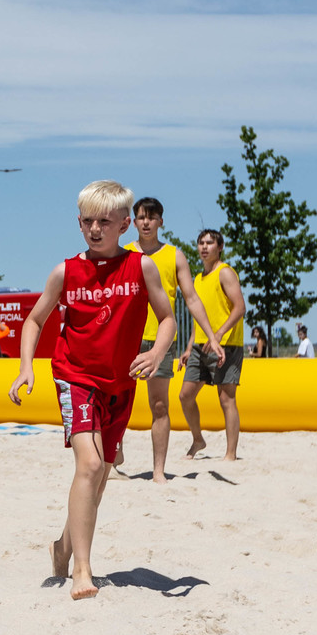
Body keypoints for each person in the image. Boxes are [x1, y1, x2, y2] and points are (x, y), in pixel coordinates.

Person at [7, 180, 174, 599]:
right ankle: (82, 571)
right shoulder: (66, 271)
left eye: (104, 221)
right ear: (78, 223)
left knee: (99, 478)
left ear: (124, 224)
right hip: (74, 375)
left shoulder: (142, 267)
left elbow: (168, 318)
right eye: (87, 221)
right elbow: (34, 321)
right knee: (92, 465)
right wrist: (27, 368)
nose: (95, 229)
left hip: (120, 384)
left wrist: (156, 352)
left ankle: (63, 548)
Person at [122, 197, 218, 482]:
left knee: (160, 406)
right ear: (133, 222)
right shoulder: (122, 253)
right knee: (117, 401)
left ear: (161, 222)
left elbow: (191, 298)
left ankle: (159, 471)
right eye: (141, 217)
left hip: (160, 340)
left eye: (152, 217)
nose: (146, 222)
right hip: (126, 340)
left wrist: (211, 336)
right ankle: (113, 460)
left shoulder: (174, 255)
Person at [180, 229, 246, 461]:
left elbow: (240, 307)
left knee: (226, 399)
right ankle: (198, 439)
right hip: (200, 345)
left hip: (227, 344)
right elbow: (198, 320)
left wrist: (217, 334)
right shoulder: (197, 279)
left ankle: (231, 454)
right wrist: (189, 347)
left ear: (220, 247)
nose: (204, 247)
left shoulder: (225, 272)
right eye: (201, 243)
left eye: (209, 243)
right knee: (185, 396)